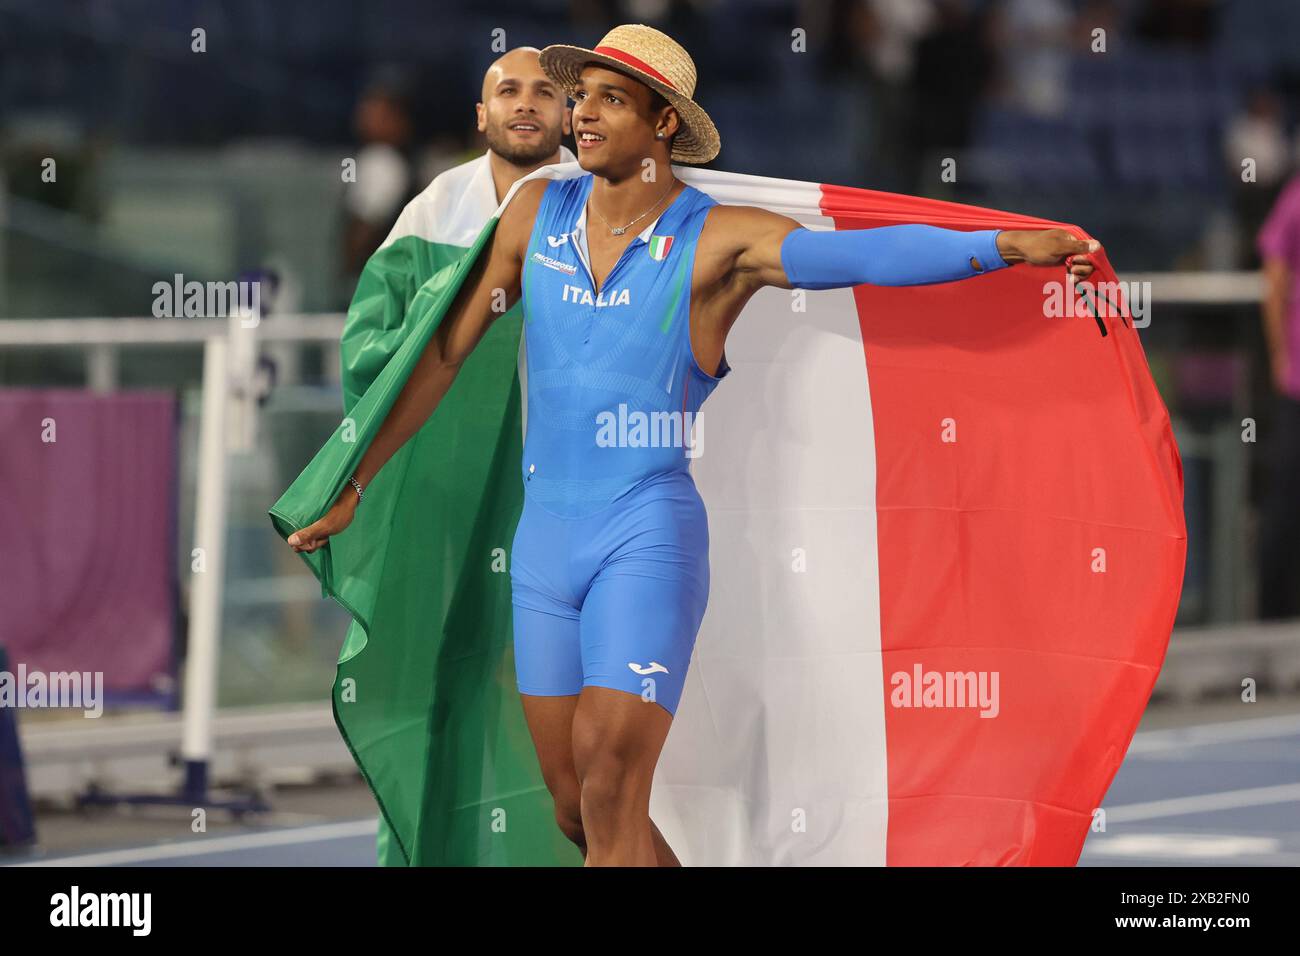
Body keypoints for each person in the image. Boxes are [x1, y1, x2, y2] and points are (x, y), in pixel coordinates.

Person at [286, 24, 1100, 866]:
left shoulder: (722, 240)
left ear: (664, 122)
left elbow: (861, 255)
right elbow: (445, 351)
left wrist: (1001, 247)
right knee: (577, 810)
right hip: (542, 551)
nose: (582, 114)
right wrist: (359, 475)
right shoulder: (533, 214)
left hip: (644, 540)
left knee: (609, 785)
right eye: (581, 96)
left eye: (611, 98)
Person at [1256, 170, 1300, 619]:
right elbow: (1275, 277)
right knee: (1285, 507)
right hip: (1297, 387)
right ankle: (1272, 619)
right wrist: (1279, 356)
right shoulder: (1296, 197)